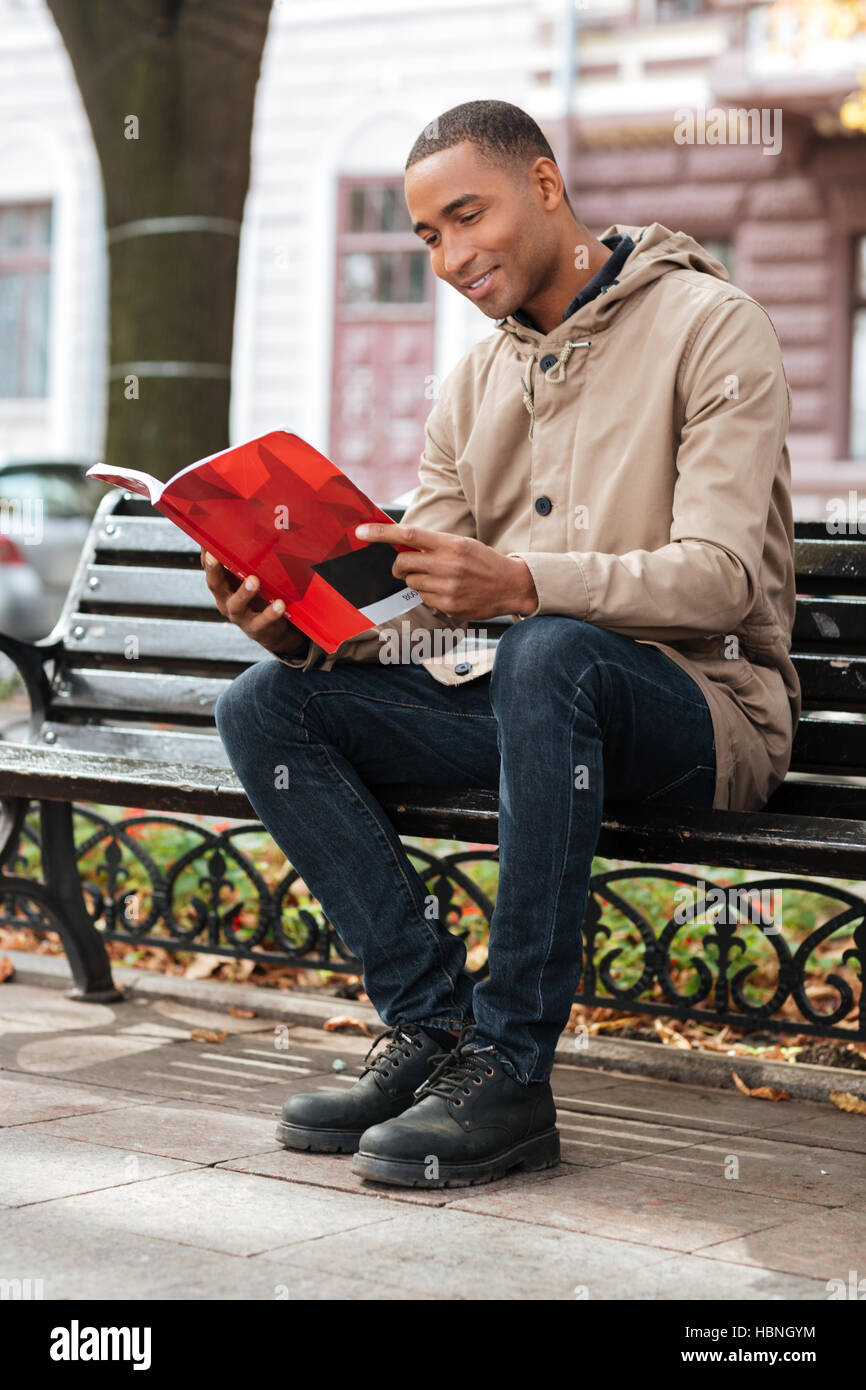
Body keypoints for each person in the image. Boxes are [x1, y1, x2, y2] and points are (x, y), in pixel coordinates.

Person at [207, 99, 800, 1190]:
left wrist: (524, 584)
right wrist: (299, 624)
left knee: (546, 649)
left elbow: (721, 578)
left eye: (465, 216)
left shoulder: (712, 325)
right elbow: (424, 599)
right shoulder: (477, 379)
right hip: (542, 709)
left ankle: (513, 1069)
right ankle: (430, 1031)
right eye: (427, 235)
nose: (448, 255)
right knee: (263, 703)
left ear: (542, 185)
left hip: (704, 713)